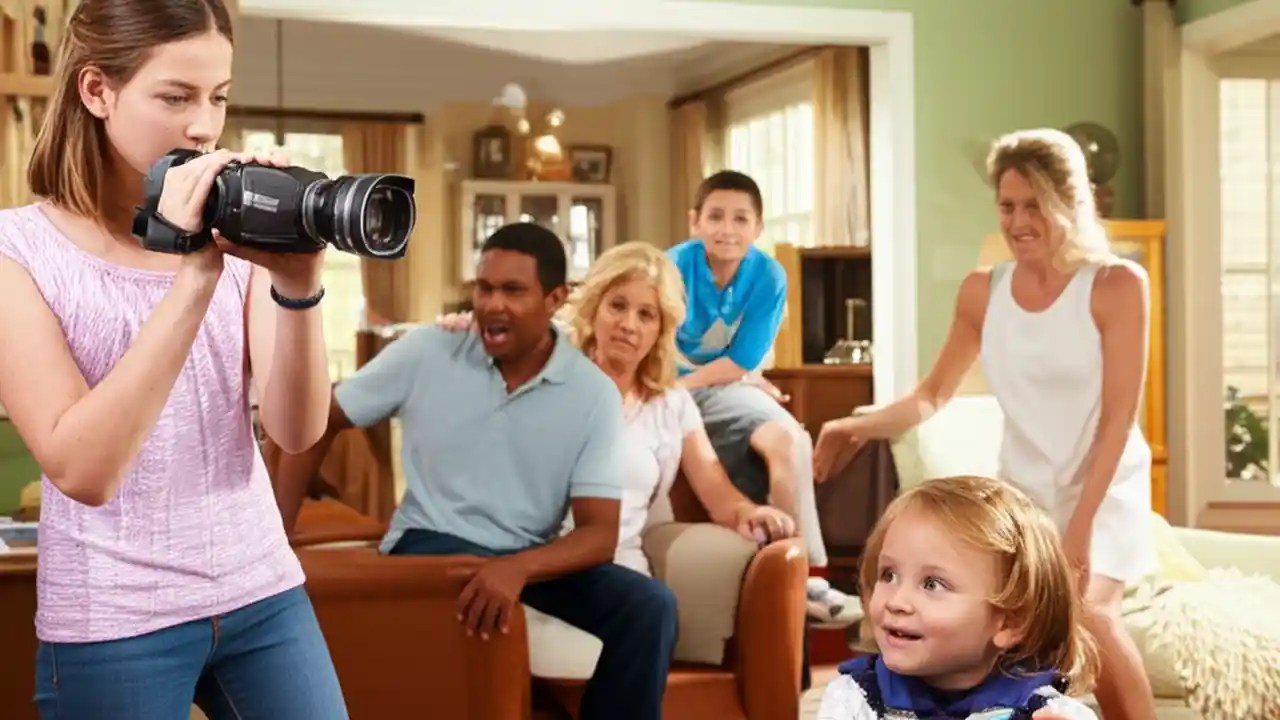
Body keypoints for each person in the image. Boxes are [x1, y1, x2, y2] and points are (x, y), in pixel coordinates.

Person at [0, 1, 346, 718]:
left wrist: (297, 281)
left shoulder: (240, 230)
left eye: (218, 97)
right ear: (97, 91)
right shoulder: (19, 252)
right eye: (176, 97)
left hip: (261, 592)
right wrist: (192, 277)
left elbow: (296, 430)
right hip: (115, 617)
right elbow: (83, 471)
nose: (203, 126)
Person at [813, 128, 1157, 720]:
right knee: (1016, 630)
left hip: (1104, 487)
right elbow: (931, 396)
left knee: (1092, 614)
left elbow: (1120, 417)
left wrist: (1080, 528)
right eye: (1007, 206)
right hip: (1023, 494)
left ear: (1069, 202)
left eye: (1034, 205)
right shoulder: (982, 291)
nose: (1018, 221)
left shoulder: (1117, 285)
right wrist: (855, 425)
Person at [274, 223, 678, 720]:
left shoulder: (592, 394)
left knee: (649, 607)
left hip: (523, 557)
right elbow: (316, 422)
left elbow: (599, 535)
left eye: (513, 290)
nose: (492, 305)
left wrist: (518, 568)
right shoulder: (429, 350)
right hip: (429, 544)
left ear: (555, 299)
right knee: (476, 591)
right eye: (484, 289)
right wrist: (277, 537)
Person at [437, 241, 799, 575]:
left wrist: (751, 513)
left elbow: (721, 499)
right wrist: (463, 338)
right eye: (617, 306)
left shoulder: (672, 405)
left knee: (651, 608)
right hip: (530, 567)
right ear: (594, 310)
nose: (628, 325)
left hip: (619, 574)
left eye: (646, 315)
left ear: (661, 330)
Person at [816, 476, 1098, 720]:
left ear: (1010, 622)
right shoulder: (855, 699)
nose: (897, 601)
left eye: (932, 584)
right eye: (889, 575)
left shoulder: (1046, 710)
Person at [668, 169, 829, 572]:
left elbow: (740, 360)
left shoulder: (769, 276)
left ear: (757, 228)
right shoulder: (670, 268)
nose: (727, 230)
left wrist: (731, 379)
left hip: (722, 387)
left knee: (788, 440)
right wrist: (675, 388)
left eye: (740, 219)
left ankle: (797, 568)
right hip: (667, 387)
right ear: (695, 222)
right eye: (715, 216)